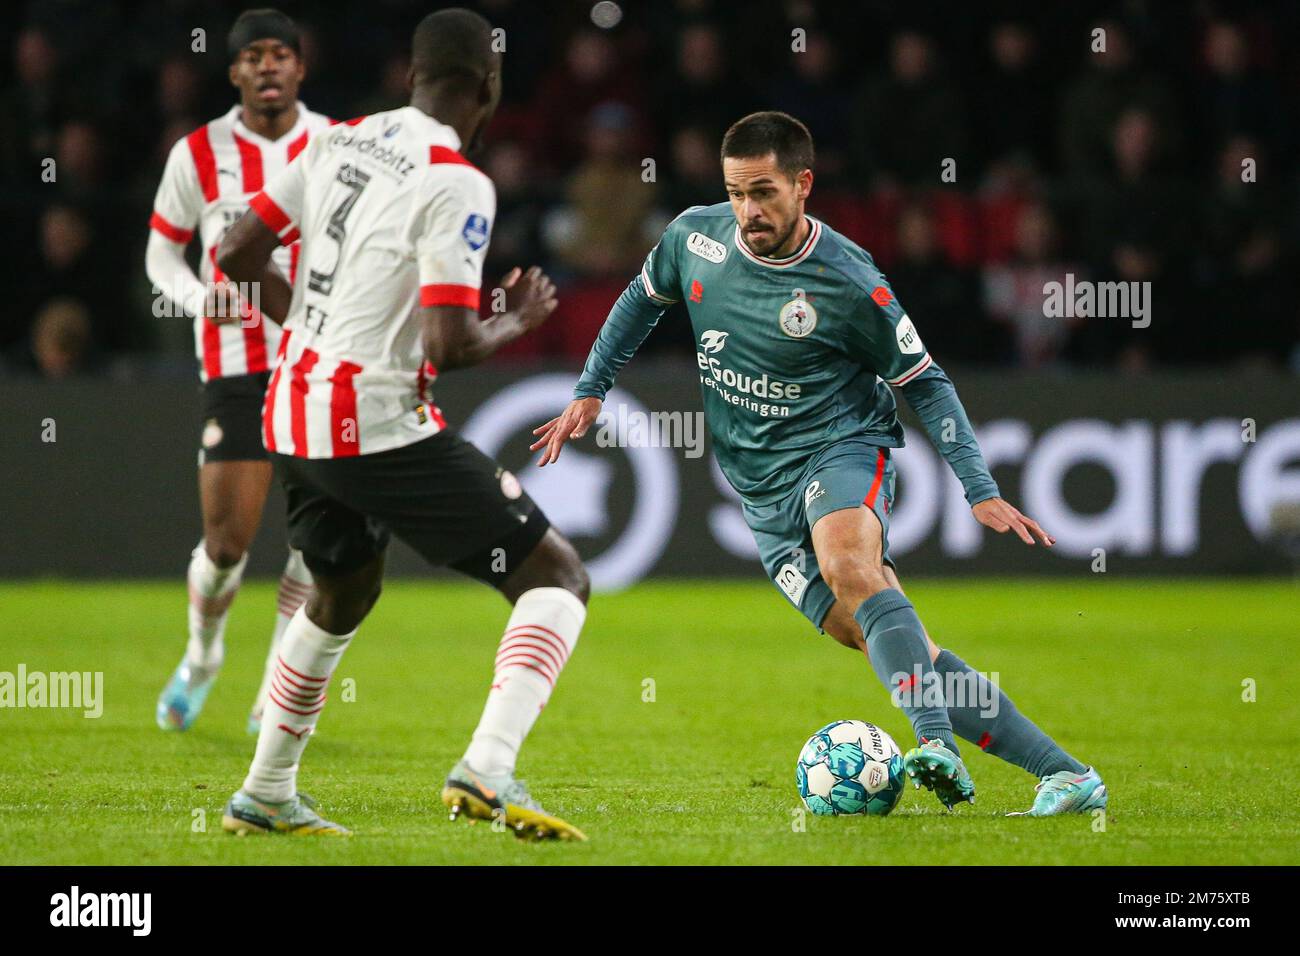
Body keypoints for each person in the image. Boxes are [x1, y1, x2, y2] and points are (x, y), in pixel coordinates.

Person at [534, 111, 1108, 816]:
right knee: (877, 631)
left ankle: (938, 745)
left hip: (840, 444)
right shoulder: (694, 237)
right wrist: (591, 389)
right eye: (737, 192)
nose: (749, 211)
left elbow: (924, 380)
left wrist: (978, 487)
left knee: (849, 563)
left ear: (804, 185)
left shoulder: (847, 280)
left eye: (765, 192)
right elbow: (640, 301)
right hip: (758, 483)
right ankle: (1066, 774)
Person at [214, 8, 589, 840]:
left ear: (412, 74)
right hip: (370, 421)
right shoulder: (458, 179)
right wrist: (516, 323)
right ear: (488, 88)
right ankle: (487, 768)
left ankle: (266, 792)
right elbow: (449, 344)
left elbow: (237, 252)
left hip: (290, 410)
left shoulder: (337, 138)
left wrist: (309, 333)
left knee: (343, 589)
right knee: (556, 579)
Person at [146, 9, 331, 734]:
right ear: (234, 74)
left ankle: (273, 686)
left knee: (319, 540)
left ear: (300, 68)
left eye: (280, 54)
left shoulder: (334, 145)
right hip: (236, 366)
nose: (267, 67)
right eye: (252, 56)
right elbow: (161, 252)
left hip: (318, 365)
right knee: (226, 545)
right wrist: (197, 296)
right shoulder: (197, 152)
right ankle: (202, 657)